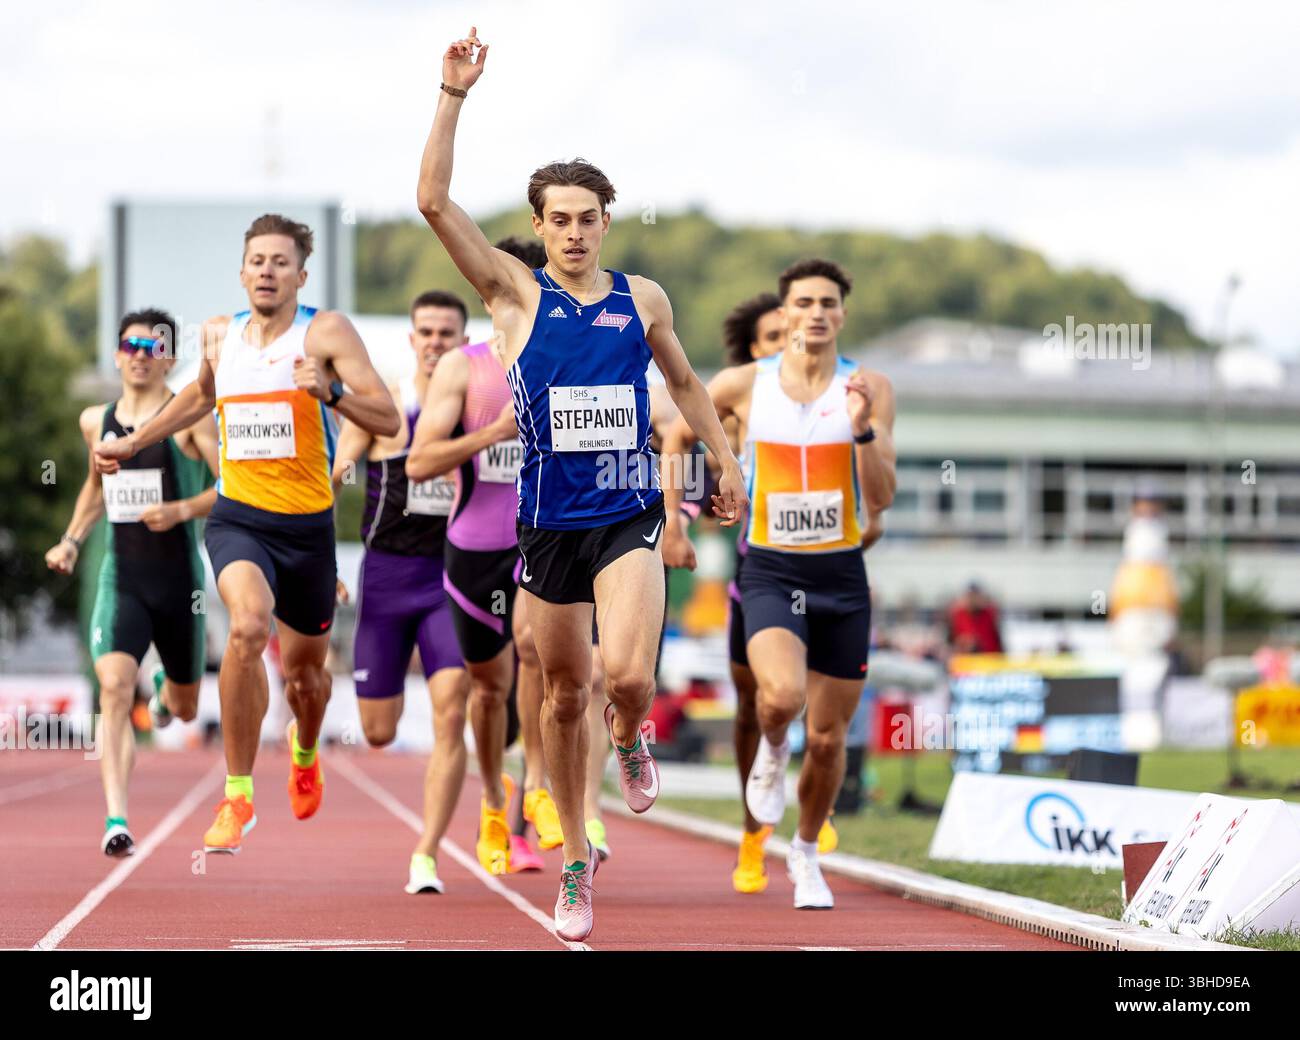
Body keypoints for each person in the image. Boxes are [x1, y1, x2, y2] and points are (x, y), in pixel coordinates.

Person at [416, 27, 747, 940]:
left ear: (606, 220)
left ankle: (634, 732)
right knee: (562, 697)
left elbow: (681, 383)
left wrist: (725, 462)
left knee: (628, 677)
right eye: (556, 218)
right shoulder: (515, 297)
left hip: (630, 512)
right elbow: (433, 201)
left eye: (586, 217)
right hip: (547, 527)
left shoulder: (643, 299)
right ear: (541, 225)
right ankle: (571, 863)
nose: (572, 231)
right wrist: (453, 96)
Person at [95, 214, 400, 854]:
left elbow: (388, 418)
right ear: (242, 272)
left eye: (280, 262)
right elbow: (196, 399)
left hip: (308, 527)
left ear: (300, 275)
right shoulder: (216, 336)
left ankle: (306, 746)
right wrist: (130, 441)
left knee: (306, 679)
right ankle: (237, 793)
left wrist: (335, 391)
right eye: (257, 260)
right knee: (246, 626)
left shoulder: (327, 332)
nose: (267, 270)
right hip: (240, 517)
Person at [663, 258, 896, 909]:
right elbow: (679, 433)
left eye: (829, 302)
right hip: (770, 567)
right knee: (780, 698)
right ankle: (769, 748)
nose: (817, 312)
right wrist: (674, 527)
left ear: (843, 314)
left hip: (843, 574)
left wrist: (861, 431)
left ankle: (806, 852)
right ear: (785, 313)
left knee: (828, 739)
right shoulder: (744, 383)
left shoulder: (869, 387)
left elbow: (882, 499)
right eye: (804, 302)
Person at [404, 246, 564, 877]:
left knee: (533, 650)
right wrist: (491, 436)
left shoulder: (567, 361)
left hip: (543, 538)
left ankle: (539, 790)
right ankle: (495, 800)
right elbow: (420, 463)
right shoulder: (460, 369)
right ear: (487, 295)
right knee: (488, 689)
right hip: (474, 547)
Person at [46, 309, 219, 856]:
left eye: (153, 345)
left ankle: (169, 690)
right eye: (131, 344)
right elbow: (94, 490)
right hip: (121, 577)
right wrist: (71, 541)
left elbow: (236, 486)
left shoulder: (189, 419)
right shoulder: (95, 420)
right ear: (117, 353)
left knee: (186, 710)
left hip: (180, 585)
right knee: (116, 689)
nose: (141, 354)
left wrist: (181, 509)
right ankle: (116, 819)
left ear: (169, 356)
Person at [331, 290, 469, 894]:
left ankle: (427, 853)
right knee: (379, 731)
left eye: (448, 333)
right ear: (412, 340)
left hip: (449, 579)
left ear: (464, 342)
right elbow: (336, 473)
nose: (437, 342)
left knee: (453, 705)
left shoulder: (476, 409)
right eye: (428, 333)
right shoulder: (385, 407)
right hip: (386, 581)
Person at [946, 582, 1004, 655]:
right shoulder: (958, 615)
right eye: (970, 596)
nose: (972, 600)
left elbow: (998, 642)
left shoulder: (989, 615)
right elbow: (951, 643)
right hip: (965, 661)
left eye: (975, 596)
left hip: (988, 659)